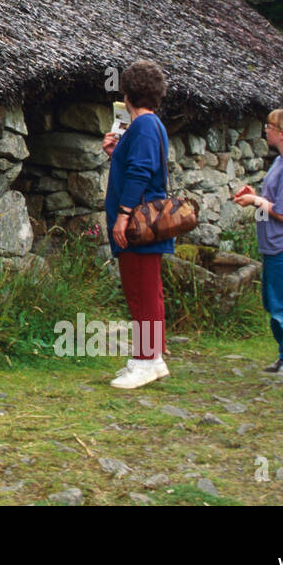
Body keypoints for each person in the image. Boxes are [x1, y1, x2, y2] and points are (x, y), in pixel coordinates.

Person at [102, 60, 173, 389]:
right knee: (147, 290)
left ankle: (147, 360)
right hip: (144, 222)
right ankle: (151, 357)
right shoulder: (149, 125)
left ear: (127, 94)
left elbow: (140, 171)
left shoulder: (143, 125)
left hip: (139, 225)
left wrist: (123, 215)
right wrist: (115, 152)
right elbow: (134, 163)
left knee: (141, 291)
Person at [233, 108, 283, 382]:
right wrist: (255, 196)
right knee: (275, 301)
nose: (265, 129)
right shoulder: (281, 163)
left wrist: (256, 202)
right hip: (276, 244)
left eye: (270, 126)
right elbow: (274, 202)